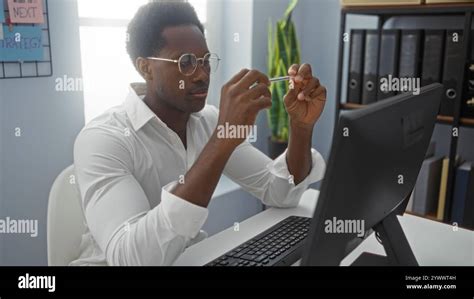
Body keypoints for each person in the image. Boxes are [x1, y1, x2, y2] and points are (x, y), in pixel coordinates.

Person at [71, 1, 326, 266]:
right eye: (186, 63)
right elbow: (132, 260)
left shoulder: (208, 122)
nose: (202, 75)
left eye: (205, 61)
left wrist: (300, 126)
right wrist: (222, 140)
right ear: (145, 67)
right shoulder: (102, 139)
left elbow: (280, 192)